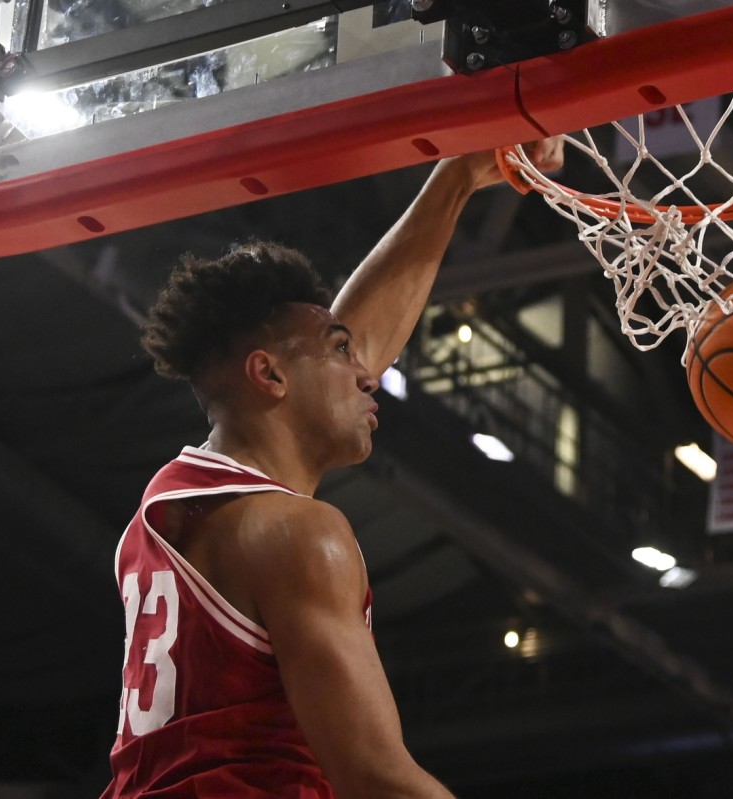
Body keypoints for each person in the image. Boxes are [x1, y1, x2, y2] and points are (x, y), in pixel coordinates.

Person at [100, 139, 565, 799]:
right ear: (268, 373)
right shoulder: (295, 532)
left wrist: (459, 175)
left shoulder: (168, 508)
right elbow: (375, 777)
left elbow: (352, 342)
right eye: (341, 350)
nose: (369, 372)